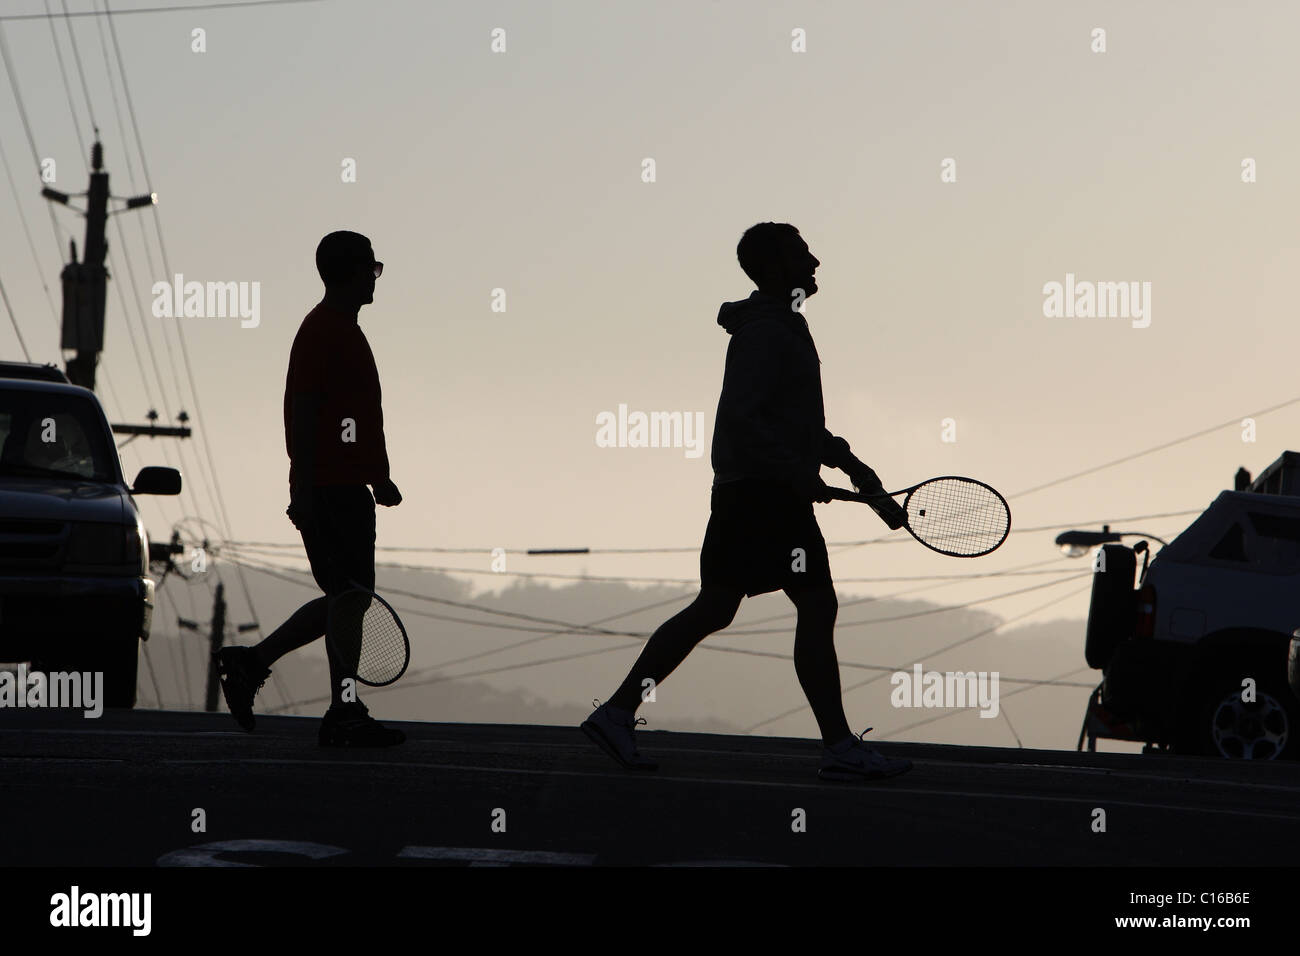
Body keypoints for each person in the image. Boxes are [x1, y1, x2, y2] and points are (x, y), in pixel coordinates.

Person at [582, 222, 913, 781]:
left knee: (723, 607)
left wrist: (855, 469)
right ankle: (836, 745)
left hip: (759, 494)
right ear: (776, 267)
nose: (815, 262)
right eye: (802, 253)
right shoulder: (765, 335)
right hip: (762, 497)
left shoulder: (782, 328)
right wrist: (796, 475)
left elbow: (798, 425)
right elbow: (743, 420)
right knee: (807, 604)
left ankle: (616, 713)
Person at [215, 230, 405, 747]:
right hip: (329, 488)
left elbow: (355, 417)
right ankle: (341, 709)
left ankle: (254, 663)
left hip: (344, 486)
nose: (375, 276)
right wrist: (302, 487)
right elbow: (304, 414)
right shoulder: (324, 331)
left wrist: (377, 476)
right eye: (371, 267)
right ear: (349, 272)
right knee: (350, 597)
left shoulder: (341, 330)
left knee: (347, 598)